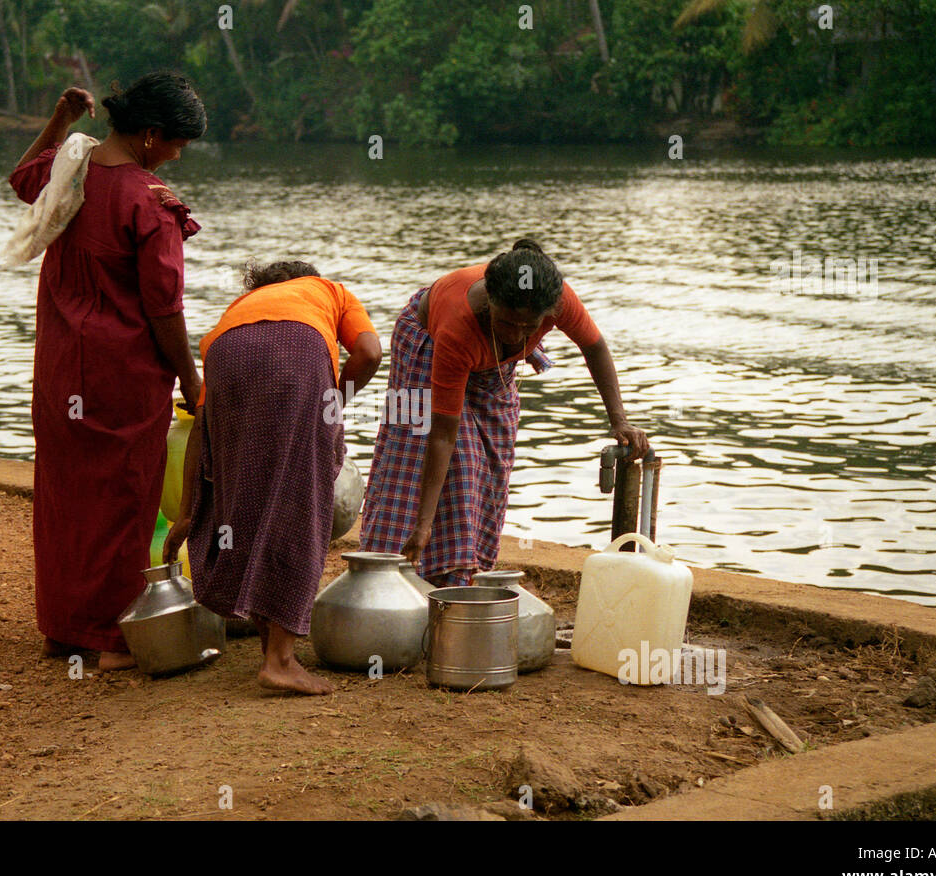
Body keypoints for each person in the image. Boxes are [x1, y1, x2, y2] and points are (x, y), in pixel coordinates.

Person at [8, 72, 206, 671]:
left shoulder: (71, 168)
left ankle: (62, 630)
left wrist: (61, 118)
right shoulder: (150, 200)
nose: (179, 155)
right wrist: (193, 381)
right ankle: (114, 638)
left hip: (62, 368)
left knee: (66, 495)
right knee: (125, 500)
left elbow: (22, 178)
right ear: (151, 135)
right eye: (177, 143)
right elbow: (164, 308)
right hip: (123, 375)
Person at [361, 239, 650, 586]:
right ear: (489, 305)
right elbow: (442, 435)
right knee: (448, 458)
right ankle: (402, 573)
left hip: (492, 361)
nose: (517, 335)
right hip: (428, 344)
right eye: (509, 323)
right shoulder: (457, 326)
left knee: (493, 465)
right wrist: (423, 525)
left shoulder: (555, 299)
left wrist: (619, 419)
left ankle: (468, 571)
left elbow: (595, 347)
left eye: (529, 328)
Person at [164, 262, 382, 695]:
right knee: (299, 502)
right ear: (308, 277)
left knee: (243, 498)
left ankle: (272, 649)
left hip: (226, 355)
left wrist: (189, 512)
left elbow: (201, 429)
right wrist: (336, 404)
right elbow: (370, 354)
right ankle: (279, 661)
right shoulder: (330, 291)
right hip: (298, 351)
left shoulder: (239, 310)